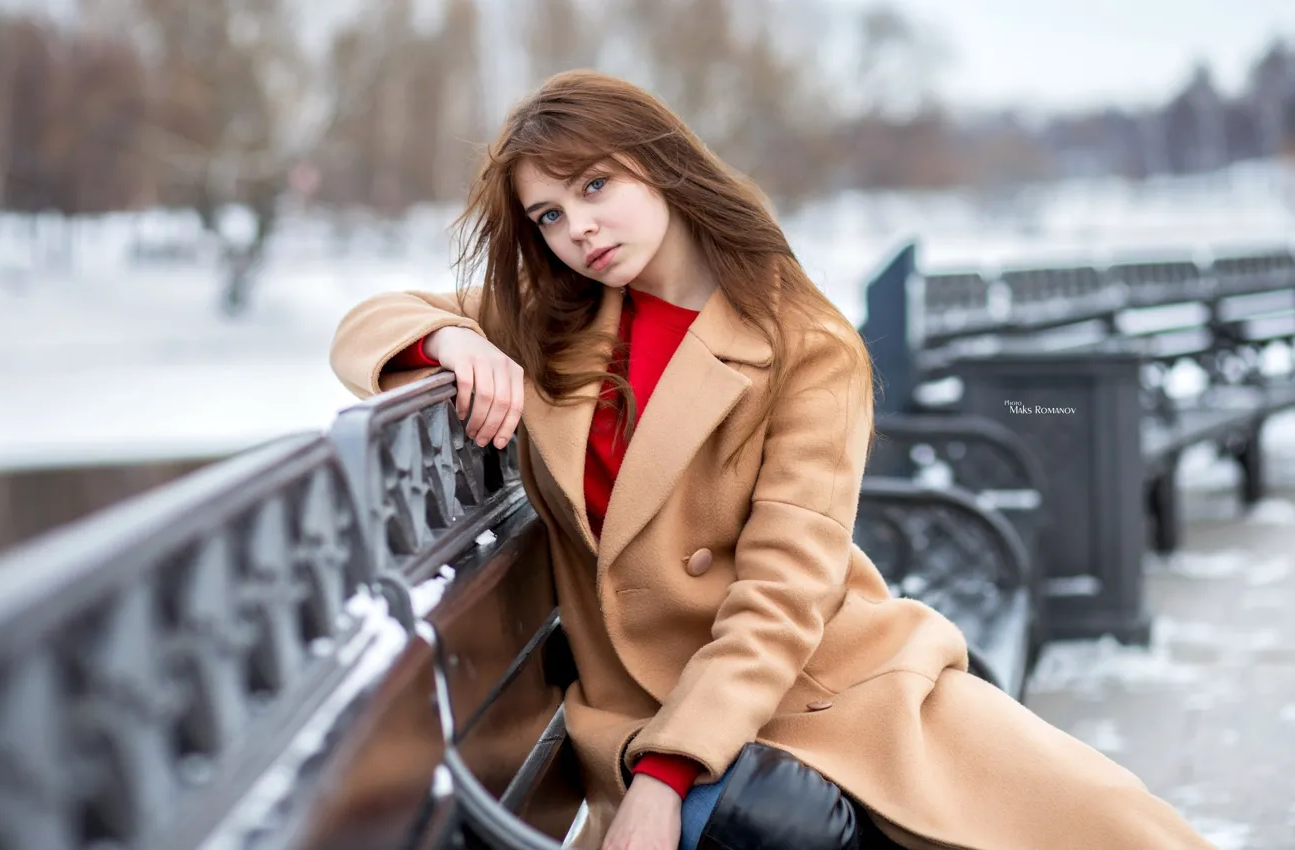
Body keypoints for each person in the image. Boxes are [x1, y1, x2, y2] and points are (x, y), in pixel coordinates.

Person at [329, 70, 1215, 850]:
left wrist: (668, 774)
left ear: (661, 161)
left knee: (1109, 826)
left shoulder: (803, 344)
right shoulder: (560, 324)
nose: (579, 230)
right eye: (550, 215)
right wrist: (451, 339)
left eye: (596, 185)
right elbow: (365, 322)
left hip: (815, 694)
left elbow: (784, 592)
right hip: (644, 719)